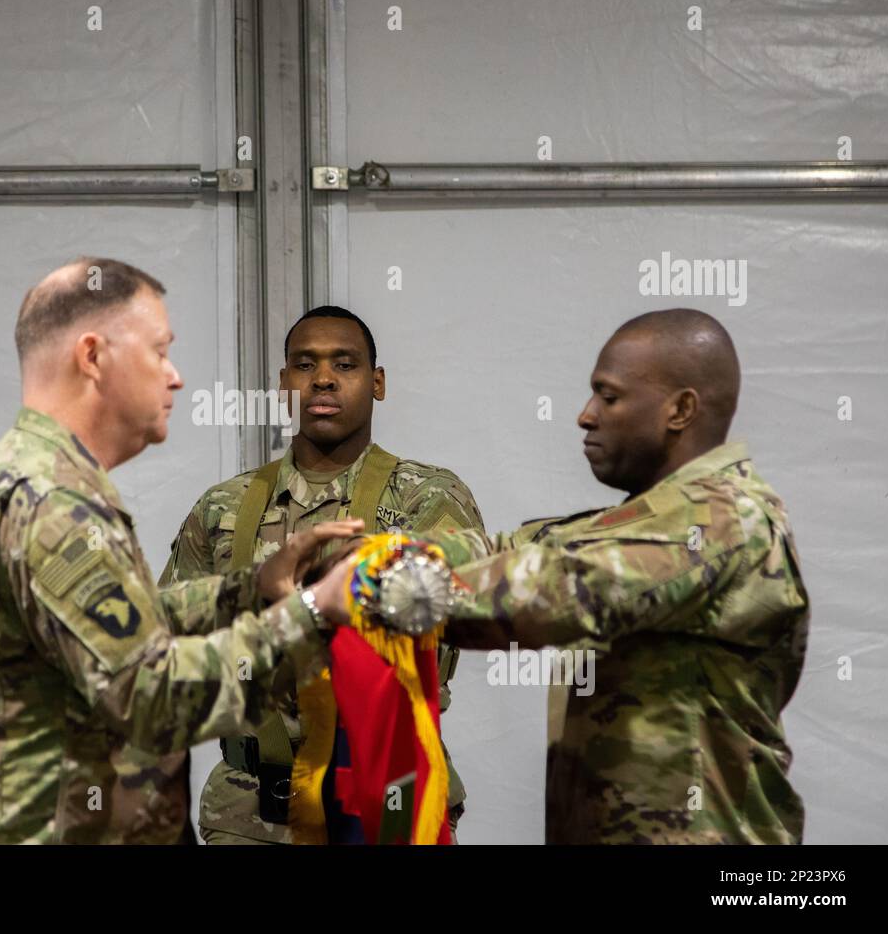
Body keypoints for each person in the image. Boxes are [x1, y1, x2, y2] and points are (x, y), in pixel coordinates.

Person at [0, 257, 359, 844]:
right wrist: (309, 613)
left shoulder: (37, 478)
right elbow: (152, 695)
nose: (175, 376)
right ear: (93, 357)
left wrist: (249, 589)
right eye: (158, 351)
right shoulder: (53, 503)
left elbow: (121, 636)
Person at [345, 308, 810, 843]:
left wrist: (361, 587)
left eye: (609, 397)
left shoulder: (720, 523)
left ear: (680, 409)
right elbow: (507, 548)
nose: (586, 416)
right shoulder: (646, 521)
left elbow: (546, 594)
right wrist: (367, 554)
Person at [160, 306, 484, 844]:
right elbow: (171, 648)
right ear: (284, 384)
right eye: (305, 365)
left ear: (376, 383)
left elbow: (447, 636)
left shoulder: (426, 499)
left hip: (386, 796)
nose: (324, 379)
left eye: (345, 364)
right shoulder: (224, 508)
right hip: (248, 810)